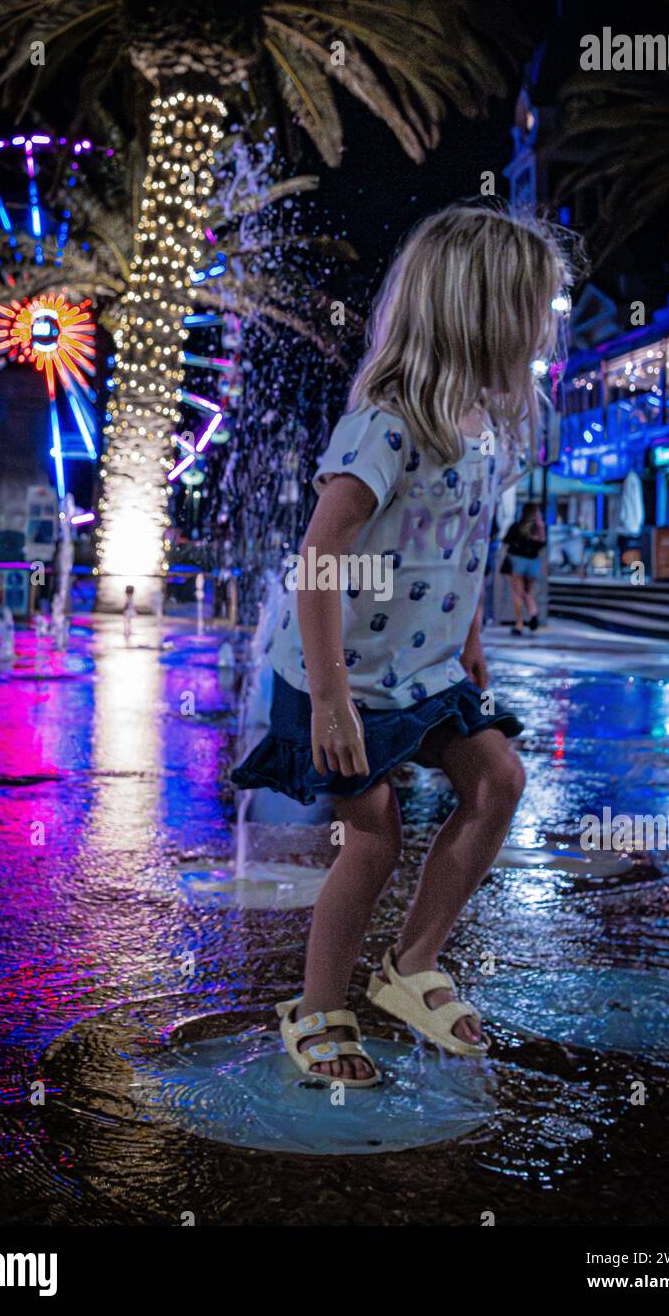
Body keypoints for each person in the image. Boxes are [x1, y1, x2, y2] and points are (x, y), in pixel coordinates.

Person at [232, 202, 569, 1085]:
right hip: (337, 673)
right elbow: (317, 562)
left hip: (426, 668)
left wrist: (472, 643)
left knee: (499, 779)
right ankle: (315, 1008)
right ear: (482, 311)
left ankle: (411, 968)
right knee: (372, 837)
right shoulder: (386, 425)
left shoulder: (485, 431)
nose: (544, 325)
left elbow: (460, 551)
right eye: (534, 306)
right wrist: (334, 697)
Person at [502, 503, 547, 636]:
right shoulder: (537, 529)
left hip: (517, 561)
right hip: (533, 562)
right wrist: (540, 526)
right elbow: (542, 543)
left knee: (517, 593)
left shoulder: (517, 527)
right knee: (527, 593)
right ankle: (533, 612)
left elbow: (506, 543)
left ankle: (519, 624)